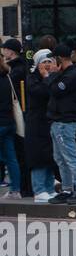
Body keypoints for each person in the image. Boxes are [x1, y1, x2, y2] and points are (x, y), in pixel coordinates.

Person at [47, 45, 76, 205]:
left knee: (70, 157)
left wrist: (50, 75)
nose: (50, 62)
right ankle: (66, 189)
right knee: (60, 158)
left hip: (66, 122)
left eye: (53, 59)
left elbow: (55, 90)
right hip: (58, 121)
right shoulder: (64, 74)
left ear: (59, 59)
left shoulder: (71, 75)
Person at [25, 50, 58, 203]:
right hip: (37, 123)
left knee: (50, 156)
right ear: (37, 64)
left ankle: (50, 188)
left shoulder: (54, 77)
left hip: (50, 121)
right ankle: (39, 190)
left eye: (49, 61)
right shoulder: (32, 79)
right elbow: (41, 93)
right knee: (38, 156)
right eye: (43, 62)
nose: (46, 65)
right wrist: (46, 78)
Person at [0, 58, 22, 201]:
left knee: (8, 158)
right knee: (11, 158)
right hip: (9, 122)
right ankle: (15, 190)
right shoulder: (6, 75)